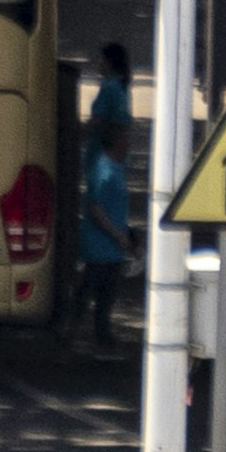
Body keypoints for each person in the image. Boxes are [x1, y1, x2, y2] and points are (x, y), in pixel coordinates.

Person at [78, 130, 133, 345]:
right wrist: (117, 234)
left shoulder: (117, 168)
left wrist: (128, 237)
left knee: (107, 293)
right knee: (88, 290)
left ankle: (103, 333)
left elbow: (116, 207)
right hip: (99, 246)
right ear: (116, 141)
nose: (129, 141)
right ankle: (71, 334)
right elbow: (95, 207)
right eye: (125, 137)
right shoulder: (104, 170)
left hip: (113, 247)